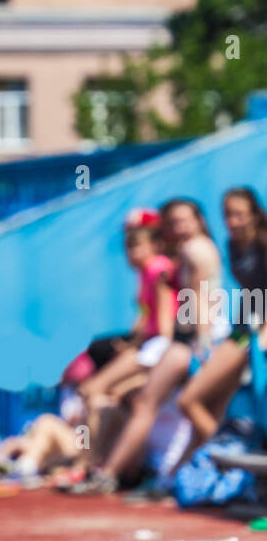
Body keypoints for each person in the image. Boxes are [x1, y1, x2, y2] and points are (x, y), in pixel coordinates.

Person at [74, 198, 223, 494]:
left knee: (136, 402)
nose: (178, 228)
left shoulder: (186, 253)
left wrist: (201, 346)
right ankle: (114, 468)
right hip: (184, 339)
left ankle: (100, 469)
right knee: (136, 401)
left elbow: (196, 304)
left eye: (183, 221)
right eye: (173, 223)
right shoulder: (183, 254)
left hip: (188, 340)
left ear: (199, 220)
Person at [173, 187, 267, 466]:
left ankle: (224, 458)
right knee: (200, 402)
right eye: (228, 214)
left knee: (191, 401)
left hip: (258, 333)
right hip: (243, 332)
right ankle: (224, 456)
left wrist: (262, 332)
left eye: (239, 214)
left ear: (254, 215)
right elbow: (247, 292)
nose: (233, 221)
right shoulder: (231, 244)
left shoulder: (264, 242)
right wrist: (236, 331)